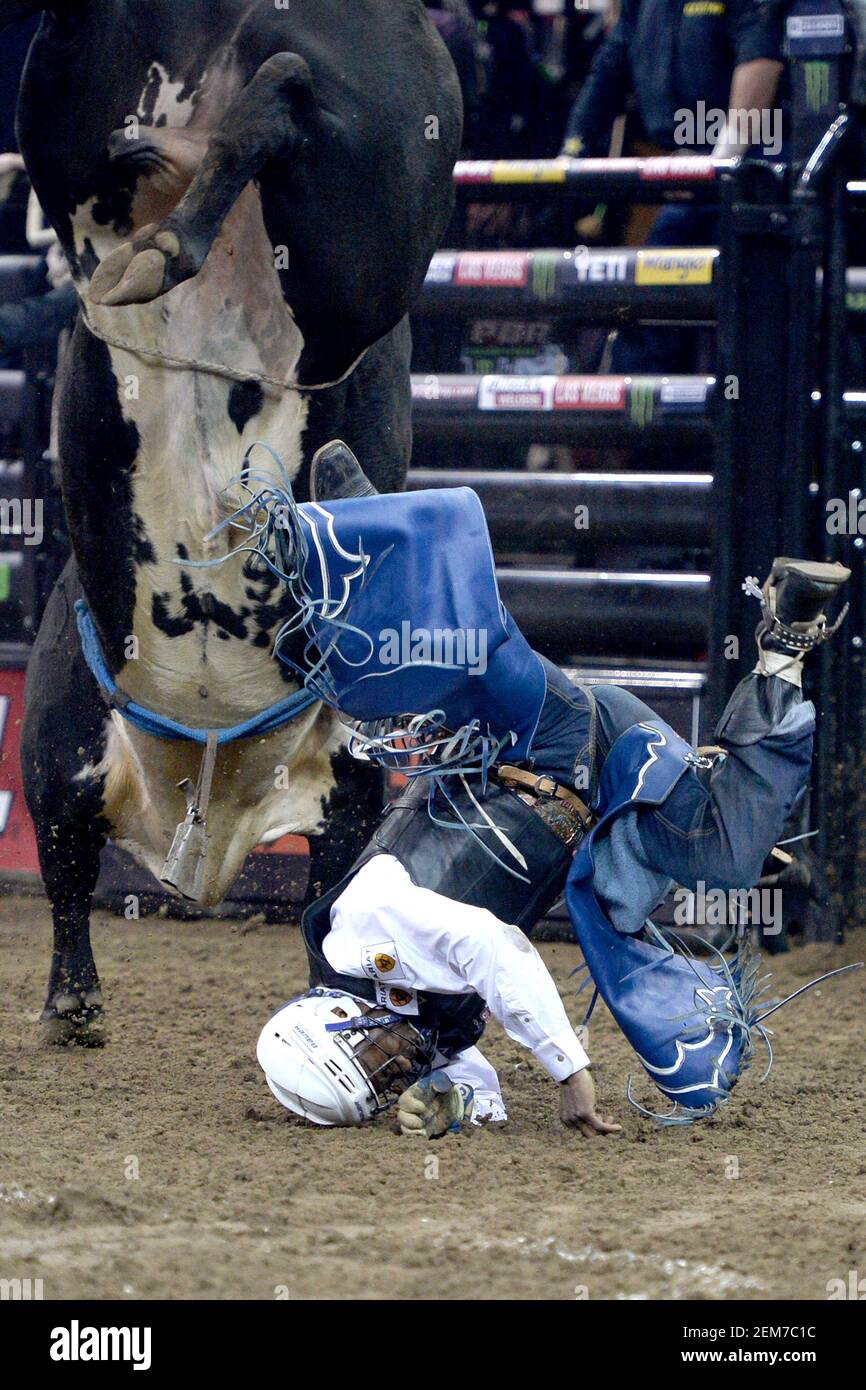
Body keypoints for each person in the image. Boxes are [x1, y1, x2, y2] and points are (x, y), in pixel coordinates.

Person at [256, 442, 852, 1137]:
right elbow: (478, 1089)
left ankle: (361, 527)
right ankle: (785, 641)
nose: (396, 1068)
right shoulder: (411, 1015)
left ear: (338, 1022)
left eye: (376, 1063)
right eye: (386, 1080)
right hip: (596, 791)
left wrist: (569, 1069)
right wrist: (446, 1103)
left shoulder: (364, 932)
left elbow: (491, 946)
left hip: (526, 734)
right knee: (725, 856)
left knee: (458, 649)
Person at [560, 0, 785, 372]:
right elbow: (608, 70)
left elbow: (761, 59)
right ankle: (640, 426)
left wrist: (718, 164)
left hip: (757, 172)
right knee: (650, 317)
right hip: (688, 174)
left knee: (754, 324)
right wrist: (572, 152)